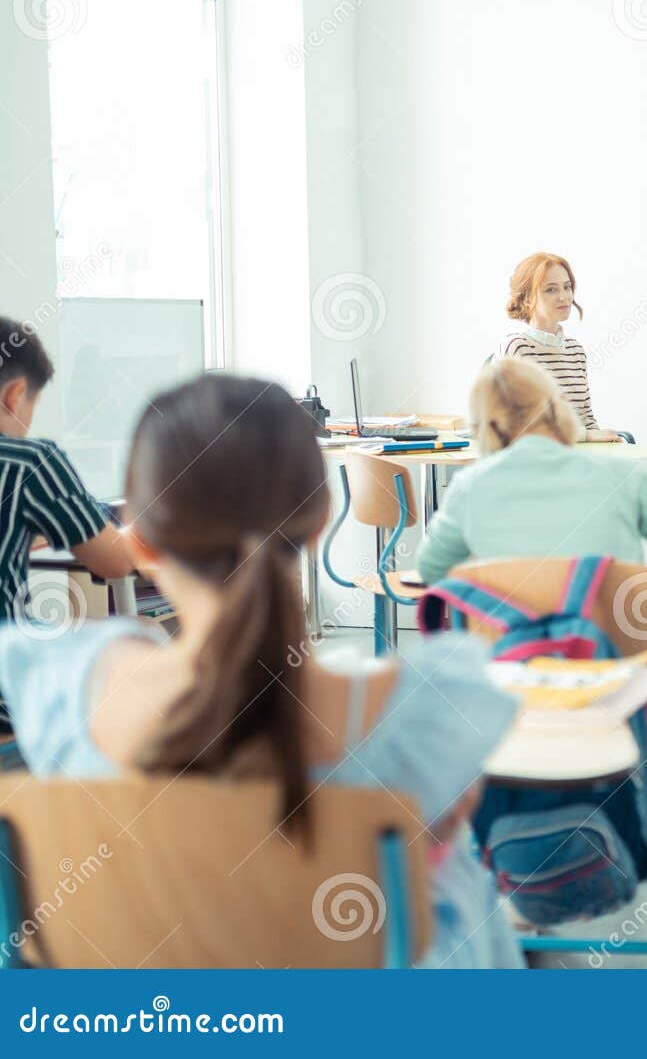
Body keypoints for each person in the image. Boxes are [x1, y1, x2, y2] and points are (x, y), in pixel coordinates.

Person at [0, 374, 522, 968]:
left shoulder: (58, 687)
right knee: (454, 870)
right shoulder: (433, 710)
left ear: (140, 543)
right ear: (321, 520)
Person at [417, 356, 647, 943]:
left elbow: (429, 574)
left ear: (487, 427)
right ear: (558, 410)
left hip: (502, 714)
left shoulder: (469, 488)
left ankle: (516, 890)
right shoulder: (626, 477)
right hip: (625, 710)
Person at [0, 315, 134, 744]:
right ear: (14, 395)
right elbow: (115, 561)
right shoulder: (28, 462)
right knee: (140, 635)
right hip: (6, 696)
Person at [497, 251, 621, 441]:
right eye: (551, 289)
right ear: (528, 297)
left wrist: (604, 443)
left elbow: (586, 419)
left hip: (574, 459)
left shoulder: (575, 351)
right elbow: (518, 428)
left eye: (567, 287)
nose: (564, 297)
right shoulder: (517, 348)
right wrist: (585, 436)